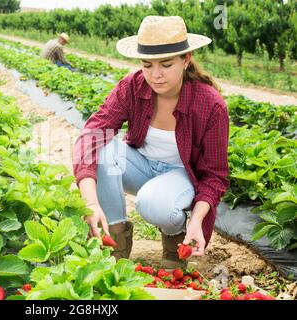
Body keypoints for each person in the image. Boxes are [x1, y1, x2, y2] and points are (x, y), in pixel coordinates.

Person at [72, 16, 229, 268]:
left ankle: (174, 239)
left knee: (153, 204)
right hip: (142, 166)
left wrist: (198, 220)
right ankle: (115, 242)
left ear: (185, 60)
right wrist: (90, 203)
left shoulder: (210, 105)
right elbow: (92, 134)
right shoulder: (132, 88)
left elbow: (215, 175)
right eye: (147, 65)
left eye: (166, 65)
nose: (155, 75)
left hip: (182, 177)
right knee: (101, 147)